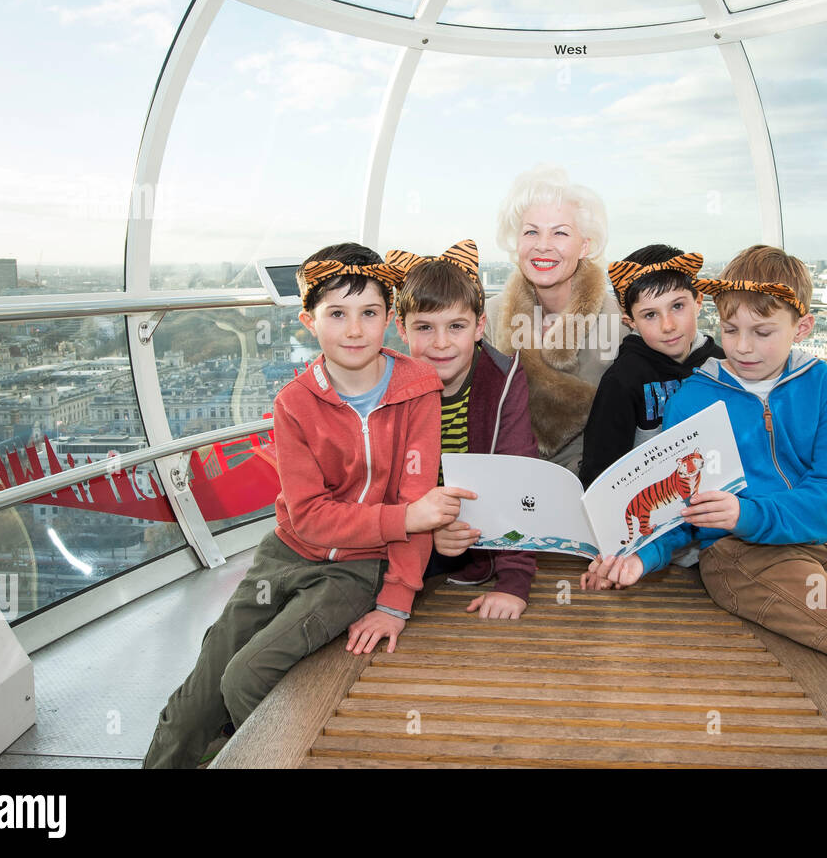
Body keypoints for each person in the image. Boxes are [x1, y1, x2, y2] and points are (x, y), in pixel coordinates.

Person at [582, 245, 827, 746]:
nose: (742, 347)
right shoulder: (695, 398)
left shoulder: (824, 386)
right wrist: (643, 557)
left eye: (763, 333)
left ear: (801, 328)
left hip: (816, 548)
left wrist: (752, 509)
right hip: (741, 557)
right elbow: (681, 508)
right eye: (732, 329)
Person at [143, 243, 468, 768]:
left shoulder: (418, 390)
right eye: (337, 314)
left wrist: (395, 600)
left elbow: (417, 502)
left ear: (390, 318)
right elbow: (313, 517)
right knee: (191, 707)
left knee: (246, 676)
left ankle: (273, 755)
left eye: (369, 313)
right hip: (286, 555)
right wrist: (406, 518)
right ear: (309, 321)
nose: (355, 330)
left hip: (359, 566)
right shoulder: (294, 403)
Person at [388, 239, 539, 619]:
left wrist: (514, 584)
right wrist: (425, 536)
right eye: (424, 327)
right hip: (407, 549)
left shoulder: (503, 379)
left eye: (456, 325)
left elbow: (518, 478)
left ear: (479, 326)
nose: (441, 343)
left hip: (486, 548)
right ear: (401, 330)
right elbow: (378, 489)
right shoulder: (387, 387)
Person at [484, 164, 624, 475]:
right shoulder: (490, 318)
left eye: (560, 232)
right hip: (507, 480)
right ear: (516, 241)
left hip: (591, 486)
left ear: (584, 245)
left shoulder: (622, 324)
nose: (543, 245)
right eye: (531, 231)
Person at [579, 244, 724, 489]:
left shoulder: (722, 365)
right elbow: (599, 474)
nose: (668, 325)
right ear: (630, 321)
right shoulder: (622, 381)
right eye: (650, 315)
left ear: (698, 301)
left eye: (677, 306)